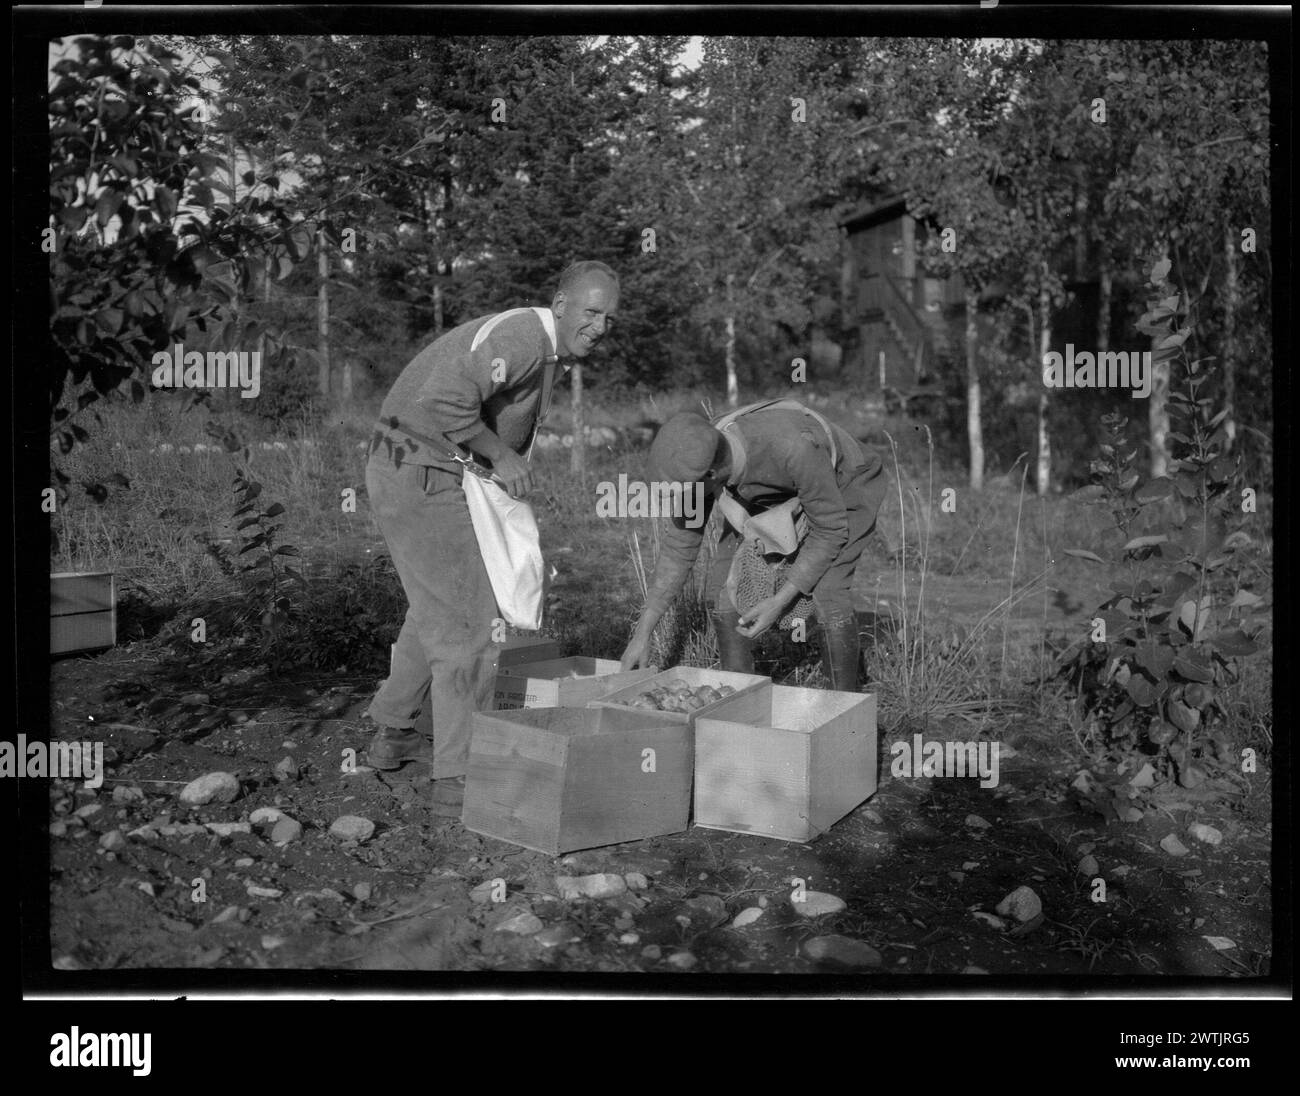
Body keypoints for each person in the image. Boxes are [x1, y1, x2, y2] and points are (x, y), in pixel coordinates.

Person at [363, 260, 619, 815]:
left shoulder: (539, 346)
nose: (600, 327)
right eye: (591, 312)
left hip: (414, 469)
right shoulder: (524, 337)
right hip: (420, 473)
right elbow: (443, 399)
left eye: (609, 318)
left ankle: (394, 730)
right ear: (559, 303)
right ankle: (457, 776)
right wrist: (501, 455)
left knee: (435, 606)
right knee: (471, 626)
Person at [619, 401, 886, 691]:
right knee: (723, 591)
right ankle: (741, 699)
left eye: (687, 491)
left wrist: (779, 602)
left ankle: (844, 708)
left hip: (844, 482)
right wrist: (643, 632)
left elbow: (830, 531)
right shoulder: (703, 456)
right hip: (766, 490)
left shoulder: (793, 448)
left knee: (828, 591)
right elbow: (680, 546)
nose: (685, 500)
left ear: (711, 476)